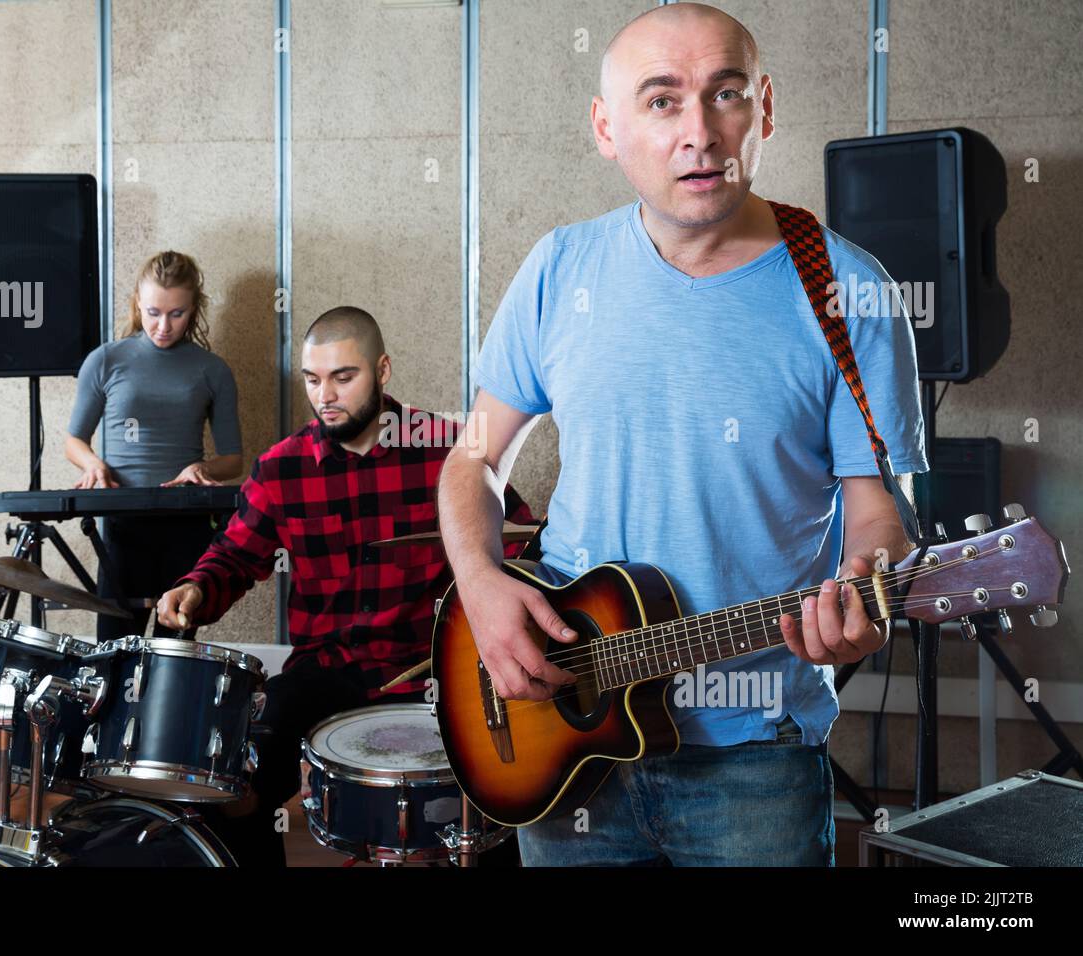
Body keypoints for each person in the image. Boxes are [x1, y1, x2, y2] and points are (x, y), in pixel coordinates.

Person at [436, 3, 928, 867]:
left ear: (764, 109)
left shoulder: (853, 293)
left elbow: (877, 519)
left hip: (755, 756)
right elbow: (473, 457)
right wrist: (478, 578)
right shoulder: (559, 269)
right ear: (606, 127)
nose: (699, 132)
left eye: (725, 94)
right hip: (565, 726)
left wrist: (868, 589)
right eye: (661, 100)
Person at [155, 306, 535, 866]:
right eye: (312, 379)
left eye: (343, 376)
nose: (324, 394)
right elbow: (233, 556)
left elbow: (523, 544)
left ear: (382, 371)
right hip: (326, 670)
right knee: (230, 778)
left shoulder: (448, 452)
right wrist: (195, 588)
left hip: (432, 669)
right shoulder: (280, 470)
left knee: (504, 797)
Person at [65, 250, 243, 640]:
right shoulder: (106, 360)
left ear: (194, 308)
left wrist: (205, 469)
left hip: (188, 523)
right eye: (153, 312)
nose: (163, 326)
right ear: (136, 304)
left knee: (172, 659)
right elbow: (74, 440)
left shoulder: (212, 370)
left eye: (176, 314)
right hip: (123, 525)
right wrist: (93, 464)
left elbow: (233, 461)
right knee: (112, 655)